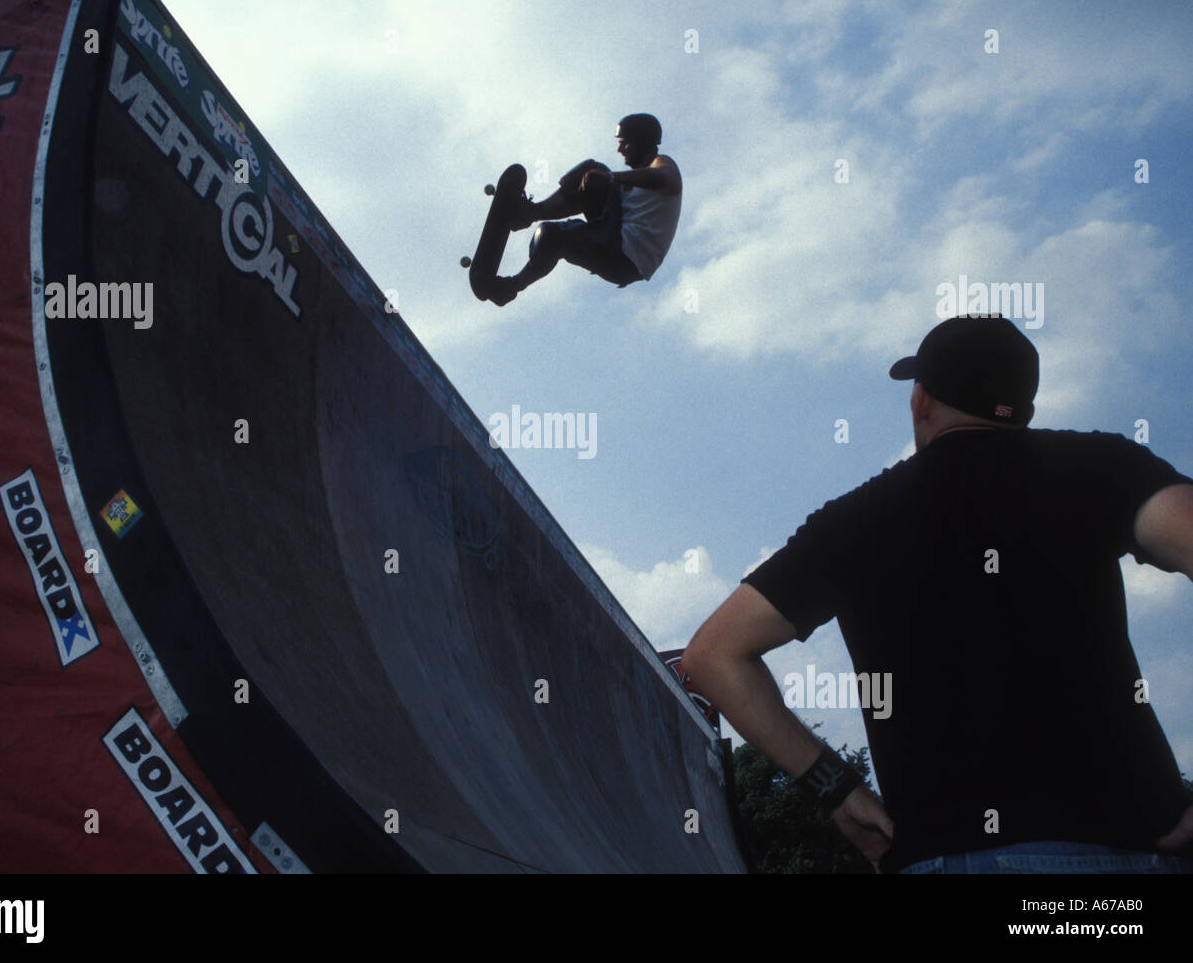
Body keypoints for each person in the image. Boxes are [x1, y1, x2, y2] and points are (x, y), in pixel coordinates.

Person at [682, 314, 1193, 874]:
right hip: (1131, 857)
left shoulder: (857, 519)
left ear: (921, 401)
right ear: (1024, 408)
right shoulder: (1106, 466)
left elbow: (712, 656)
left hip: (944, 857)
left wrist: (838, 790)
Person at [484, 113, 682, 306]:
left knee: (552, 236)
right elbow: (581, 186)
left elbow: (667, 179)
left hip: (624, 257)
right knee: (592, 172)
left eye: (625, 143)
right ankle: (529, 213)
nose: (620, 150)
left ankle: (510, 287)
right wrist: (577, 182)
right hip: (615, 237)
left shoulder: (662, 164)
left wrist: (610, 178)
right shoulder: (632, 186)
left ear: (641, 141)